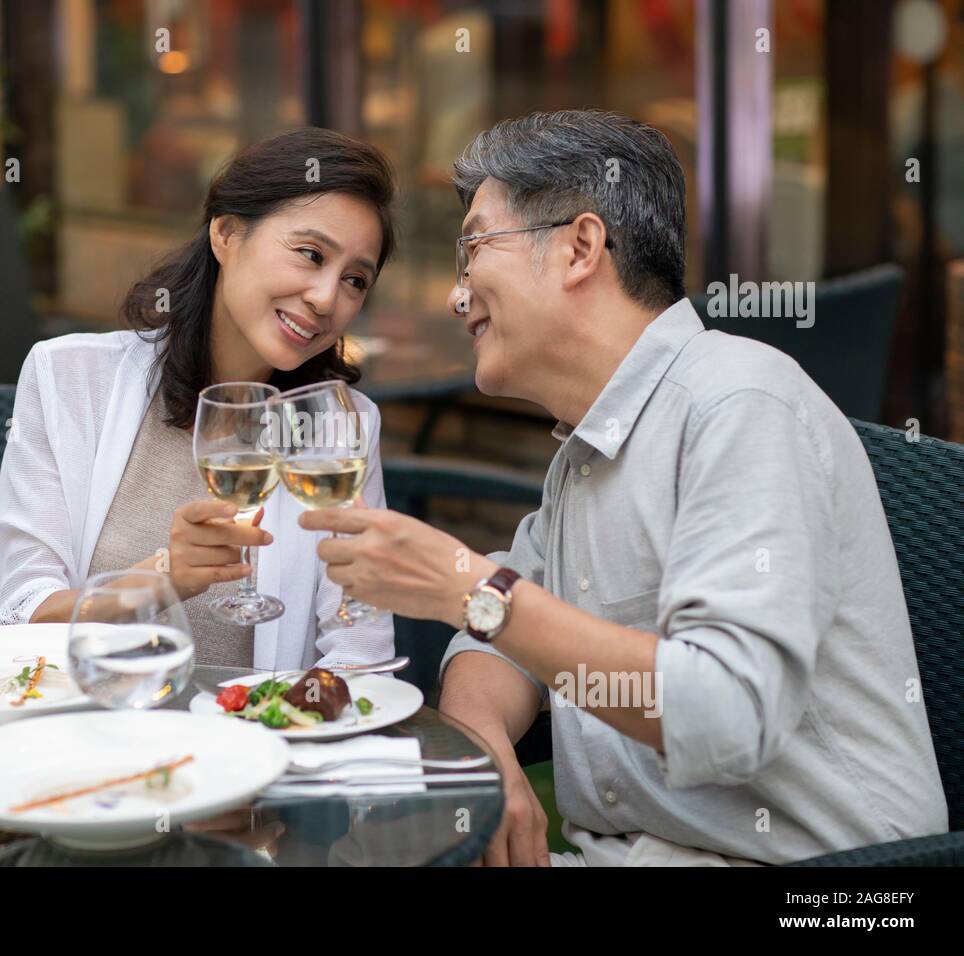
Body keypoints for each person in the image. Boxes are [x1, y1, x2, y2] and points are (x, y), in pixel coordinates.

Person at [298, 110, 948, 865]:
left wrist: (466, 588)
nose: (456, 293)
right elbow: (498, 645)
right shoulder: (588, 447)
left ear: (579, 248)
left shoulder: (737, 406)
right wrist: (485, 753)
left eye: (475, 246)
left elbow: (724, 714)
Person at [0, 128, 396, 670]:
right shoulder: (70, 377)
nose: (326, 298)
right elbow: (23, 617)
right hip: (90, 732)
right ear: (226, 234)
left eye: (354, 280)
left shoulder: (339, 428)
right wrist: (160, 579)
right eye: (309, 253)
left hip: (261, 745)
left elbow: (358, 652)